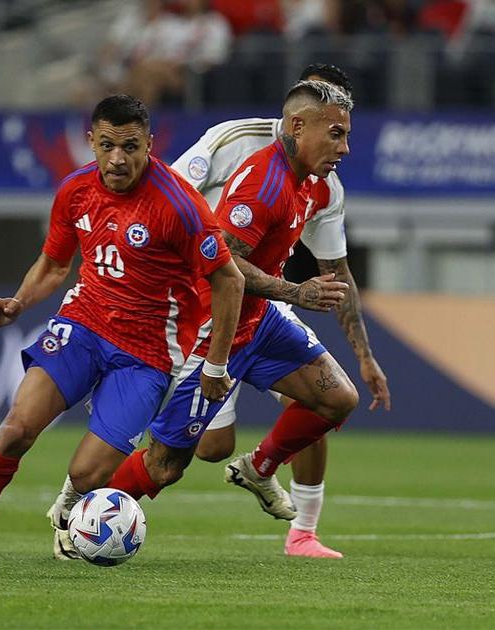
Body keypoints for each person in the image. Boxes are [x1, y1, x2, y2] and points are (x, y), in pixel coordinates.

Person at [0, 94, 246, 575]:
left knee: (87, 475)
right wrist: (19, 301)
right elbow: (54, 264)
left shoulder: (179, 205)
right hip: (84, 325)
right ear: (91, 141)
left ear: (149, 144)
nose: (118, 158)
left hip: (148, 352)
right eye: (107, 145)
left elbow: (229, 280)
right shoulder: (75, 190)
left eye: (130, 146)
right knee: (14, 431)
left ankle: (73, 505)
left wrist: (215, 365)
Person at [46, 79, 367, 559]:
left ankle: (259, 467)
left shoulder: (313, 184)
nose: (344, 148)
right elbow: (227, 266)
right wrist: (294, 292)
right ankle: (77, 521)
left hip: (260, 320)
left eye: (346, 136)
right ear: (298, 127)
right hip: (214, 327)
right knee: (166, 465)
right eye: (336, 135)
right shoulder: (264, 182)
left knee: (338, 398)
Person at [169, 63, 391, 558]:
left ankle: (302, 532)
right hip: (198, 300)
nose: (340, 136)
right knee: (210, 448)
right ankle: (92, 489)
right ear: (299, 113)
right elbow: (168, 196)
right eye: (330, 118)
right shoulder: (234, 140)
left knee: (318, 397)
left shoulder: (325, 184)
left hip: (264, 299)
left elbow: (337, 270)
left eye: (344, 120)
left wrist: (365, 355)